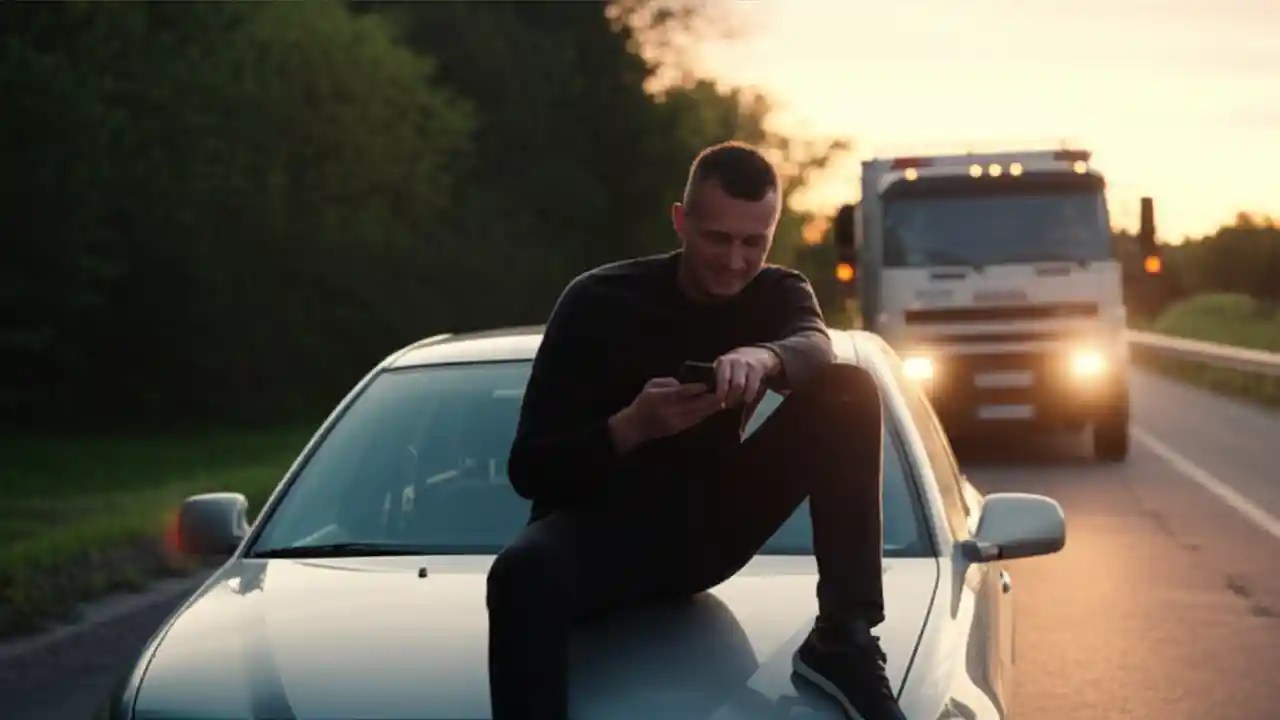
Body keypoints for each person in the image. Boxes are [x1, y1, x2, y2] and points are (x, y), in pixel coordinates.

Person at [487, 141, 906, 720]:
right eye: (718, 239)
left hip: (710, 529)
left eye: (752, 243)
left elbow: (815, 346)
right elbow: (529, 468)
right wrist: (629, 428)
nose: (735, 261)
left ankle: (843, 637)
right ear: (682, 221)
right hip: (600, 532)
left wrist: (766, 357)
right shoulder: (597, 301)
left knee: (847, 388)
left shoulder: (777, 292)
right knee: (517, 572)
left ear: (771, 234)